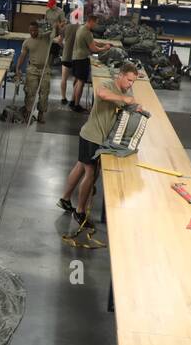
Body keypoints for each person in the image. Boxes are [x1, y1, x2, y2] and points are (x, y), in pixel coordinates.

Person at [58, 62, 141, 227]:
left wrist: (135, 106)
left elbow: (128, 105)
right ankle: (80, 212)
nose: (131, 84)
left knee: (80, 166)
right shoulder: (108, 85)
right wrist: (124, 99)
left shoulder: (126, 90)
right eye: (129, 80)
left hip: (92, 135)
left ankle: (65, 199)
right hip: (93, 136)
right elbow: (102, 94)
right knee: (91, 173)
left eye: (133, 82)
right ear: (121, 75)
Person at [69, 13, 112, 112]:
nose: (96, 26)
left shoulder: (81, 28)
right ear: (91, 21)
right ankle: (76, 105)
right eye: (95, 23)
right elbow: (93, 49)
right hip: (82, 59)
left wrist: (102, 43)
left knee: (77, 81)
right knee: (81, 82)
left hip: (75, 58)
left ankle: (72, 101)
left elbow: (91, 41)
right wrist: (104, 48)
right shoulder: (87, 32)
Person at [14, 20, 55, 123]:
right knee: (30, 92)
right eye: (30, 31)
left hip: (45, 70)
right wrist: (18, 68)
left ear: (38, 30)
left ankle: (41, 114)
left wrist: (57, 25)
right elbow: (22, 56)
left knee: (44, 93)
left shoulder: (45, 38)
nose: (32, 32)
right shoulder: (27, 42)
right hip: (32, 69)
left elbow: (57, 32)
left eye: (34, 30)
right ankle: (28, 113)